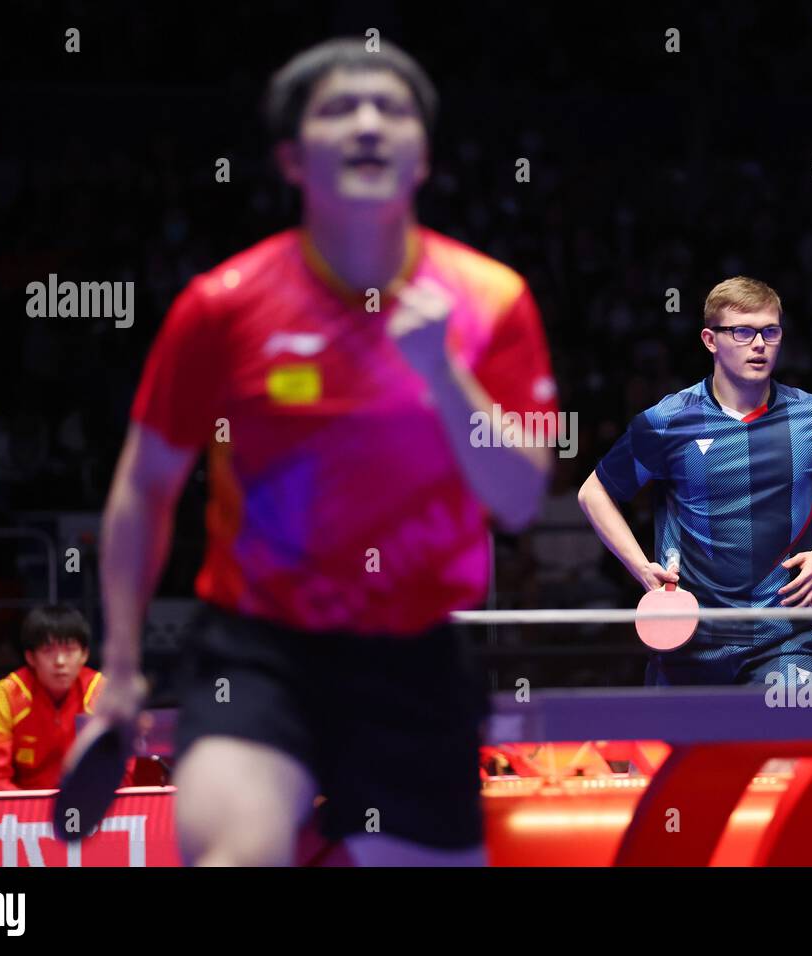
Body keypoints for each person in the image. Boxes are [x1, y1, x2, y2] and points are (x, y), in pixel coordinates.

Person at [89, 37, 556, 866]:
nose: (369, 123)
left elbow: (519, 499)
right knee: (239, 854)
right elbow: (145, 486)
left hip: (416, 656)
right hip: (259, 651)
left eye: (393, 109)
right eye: (338, 109)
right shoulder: (223, 308)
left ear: (424, 156)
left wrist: (443, 376)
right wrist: (120, 668)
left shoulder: (491, 301)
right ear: (290, 159)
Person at [578, 276, 812, 686]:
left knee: (785, 746)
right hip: (689, 642)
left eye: (770, 331)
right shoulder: (669, 421)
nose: (759, 343)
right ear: (710, 339)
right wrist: (641, 568)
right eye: (742, 331)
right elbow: (593, 493)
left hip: (782, 639)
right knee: (681, 752)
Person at [0, 605, 128, 790]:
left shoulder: (101, 692)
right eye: (48, 651)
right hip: (24, 810)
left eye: (69, 650)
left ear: (84, 655)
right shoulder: (6, 695)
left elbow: (119, 771)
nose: (60, 662)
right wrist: (29, 814)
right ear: (31, 657)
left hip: (88, 807)